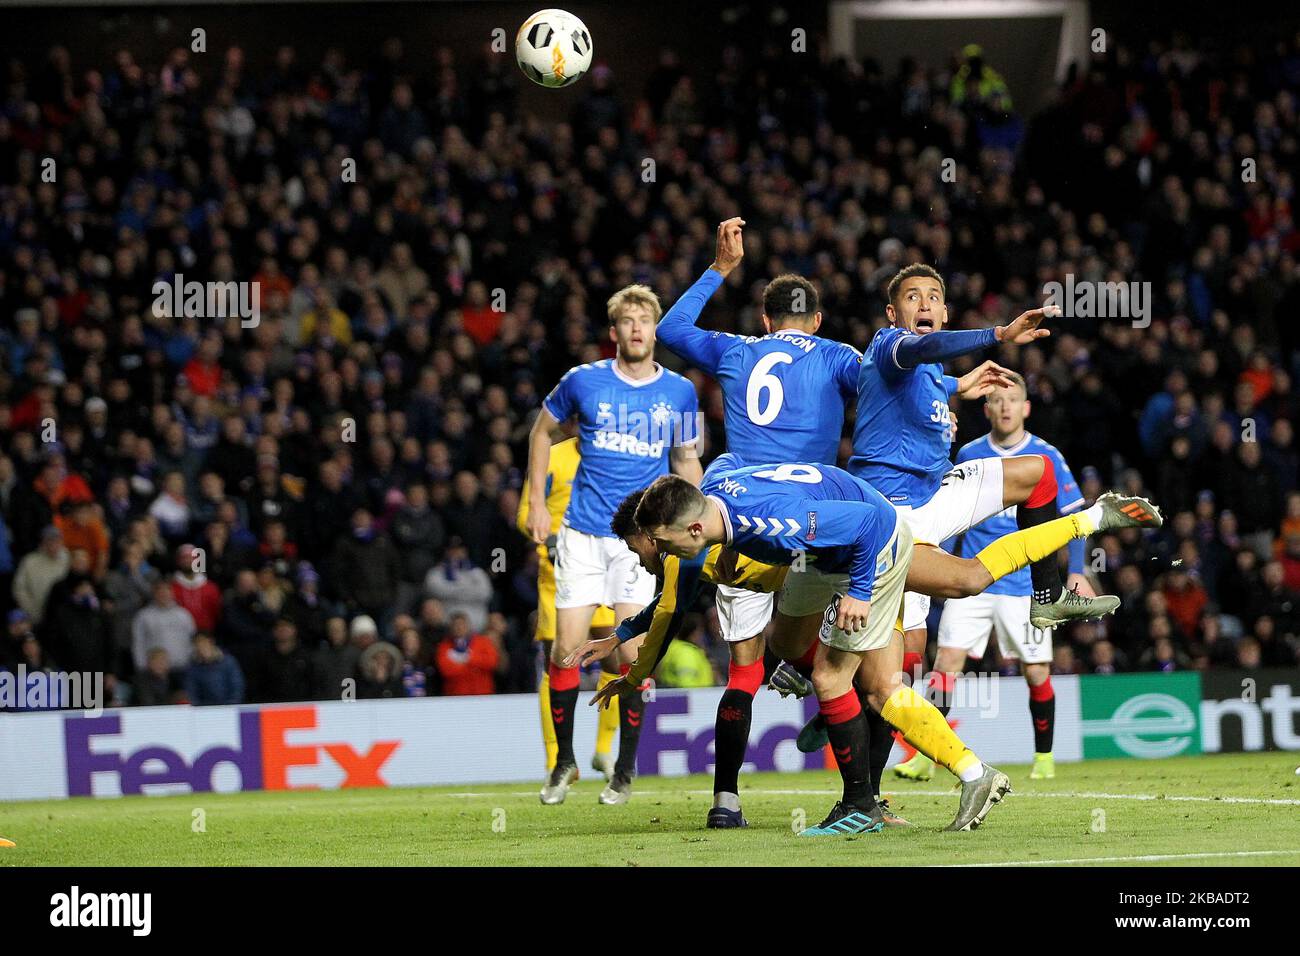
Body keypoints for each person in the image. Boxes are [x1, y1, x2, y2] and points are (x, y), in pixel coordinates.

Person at [633, 465, 1156, 834]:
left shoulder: (772, 523)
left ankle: (863, 802)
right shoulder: (718, 491)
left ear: (694, 526)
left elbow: (862, 525)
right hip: (821, 557)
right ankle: (1092, 518)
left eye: (664, 541)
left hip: (869, 542)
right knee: (805, 648)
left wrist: (860, 591)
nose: (663, 551)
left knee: (850, 678)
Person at [649, 217, 863, 826]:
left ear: (766, 321)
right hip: (809, 521)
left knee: (742, 671)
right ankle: (858, 787)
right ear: (816, 322)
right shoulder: (837, 355)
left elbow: (670, 329)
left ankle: (725, 804)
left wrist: (719, 268)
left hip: (739, 517)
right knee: (863, 609)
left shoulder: (738, 349)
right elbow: (882, 385)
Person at [525, 281, 702, 806]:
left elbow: (687, 459)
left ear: (654, 329)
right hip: (580, 533)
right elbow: (541, 433)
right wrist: (537, 502)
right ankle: (563, 763)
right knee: (565, 651)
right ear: (614, 331)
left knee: (632, 653)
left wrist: (694, 522)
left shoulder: (680, 392)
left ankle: (623, 769)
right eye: (627, 321)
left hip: (638, 541)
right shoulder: (583, 381)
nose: (636, 328)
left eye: (645, 320)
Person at [925, 371, 1089, 783]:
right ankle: (921, 755)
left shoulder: (1046, 456)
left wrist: (1081, 571)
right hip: (973, 580)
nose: (1004, 407)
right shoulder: (969, 454)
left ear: (1026, 407)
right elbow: (951, 517)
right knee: (945, 664)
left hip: (1024, 586)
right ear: (987, 409)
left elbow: (1074, 516)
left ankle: (1044, 758)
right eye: (997, 400)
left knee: (1036, 671)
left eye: (1012, 399)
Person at [515, 436, 621, 778]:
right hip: (558, 572)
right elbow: (525, 514)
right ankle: (557, 760)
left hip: (604, 564)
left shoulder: (613, 455)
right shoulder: (550, 459)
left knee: (618, 653)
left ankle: (604, 750)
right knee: (558, 658)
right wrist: (550, 539)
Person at [132, 579, 196, 680]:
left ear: (172, 593)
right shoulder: (143, 616)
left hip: (182, 669)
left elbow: (192, 639)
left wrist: (191, 662)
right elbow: (138, 642)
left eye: (166, 591)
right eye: (160, 592)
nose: (163, 595)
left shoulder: (183, 615)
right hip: (154, 671)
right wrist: (141, 666)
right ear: (154, 594)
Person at [435, 613, 500, 696]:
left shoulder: (483, 641)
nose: (459, 627)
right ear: (451, 628)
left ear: (469, 625)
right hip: (456, 695)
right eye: (456, 625)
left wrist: (466, 659)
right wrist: (474, 665)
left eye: (462, 624)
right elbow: (446, 670)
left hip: (483, 694)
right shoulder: (444, 646)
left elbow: (492, 662)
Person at [186, 631, 245, 705]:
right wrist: (200, 708)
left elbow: (237, 686)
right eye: (197, 644)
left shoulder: (228, 662)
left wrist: (231, 704)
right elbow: (192, 692)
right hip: (205, 711)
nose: (201, 647)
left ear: (211, 642)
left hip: (229, 707)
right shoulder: (193, 667)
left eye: (203, 643)